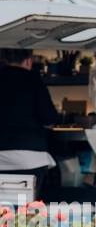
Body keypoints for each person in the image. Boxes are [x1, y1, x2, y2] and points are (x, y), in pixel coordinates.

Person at [0, 47, 61, 198]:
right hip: (30, 156)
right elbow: (49, 119)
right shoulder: (33, 80)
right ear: (28, 61)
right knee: (28, 206)